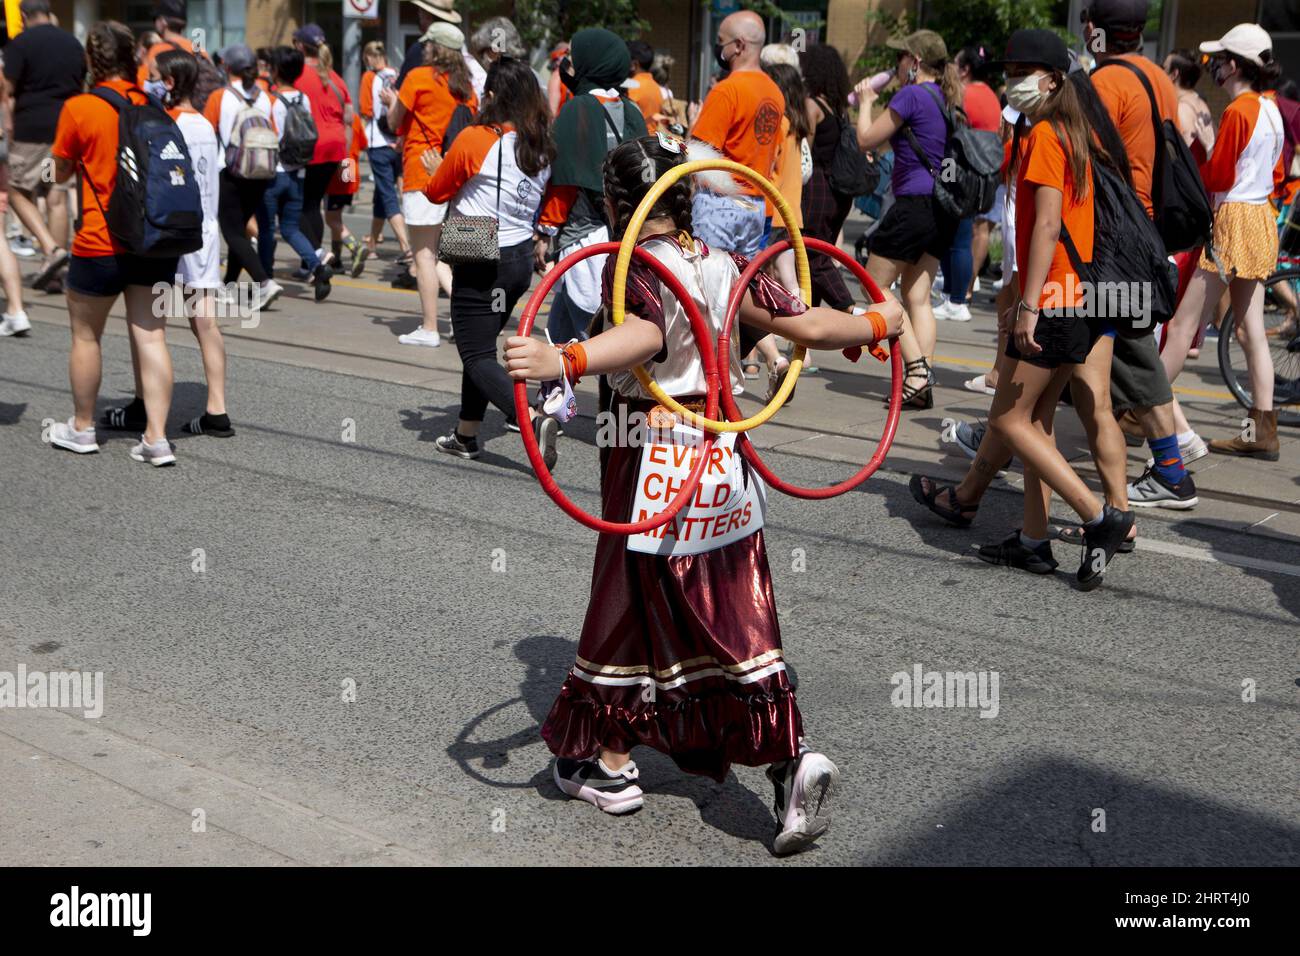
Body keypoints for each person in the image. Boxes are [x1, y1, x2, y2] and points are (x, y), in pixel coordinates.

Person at [502, 134, 903, 853]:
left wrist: (564, 356)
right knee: (723, 603)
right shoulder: (722, 264)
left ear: (621, 204)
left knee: (637, 598)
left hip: (649, 456)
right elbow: (809, 324)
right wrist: (879, 323)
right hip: (721, 452)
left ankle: (691, 759)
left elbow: (644, 334)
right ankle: (643, 760)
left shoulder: (634, 267)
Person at [948, 29, 1134, 585]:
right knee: (1039, 420)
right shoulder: (1070, 132)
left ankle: (1101, 516)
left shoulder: (1049, 136)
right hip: (1072, 297)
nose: (1012, 80)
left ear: (1053, 79)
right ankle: (1034, 540)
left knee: (1007, 417)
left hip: (1053, 298)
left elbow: (1047, 225)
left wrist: (1027, 305)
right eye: (1008, 70)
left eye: (1022, 70)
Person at [1082, 0, 1201, 510]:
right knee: (1120, 341)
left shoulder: (1105, 83)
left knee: (1121, 343)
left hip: (1112, 232)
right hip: (1145, 226)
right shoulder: (1157, 75)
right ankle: (1002, 436)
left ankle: (1172, 468)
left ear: (1097, 30)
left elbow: (1082, 154)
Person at [48, 20, 178, 466]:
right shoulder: (156, 103)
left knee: (86, 336)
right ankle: (157, 439)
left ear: (90, 60)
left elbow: (58, 172)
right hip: (153, 240)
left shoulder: (80, 107)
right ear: (133, 58)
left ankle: (83, 428)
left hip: (99, 243)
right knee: (152, 337)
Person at [1158, 24, 1285, 461]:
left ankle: (1145, 409)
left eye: (1218, 61)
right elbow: (1276, 172)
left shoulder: (1239, 111)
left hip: (1231, 218)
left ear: (1234, 66)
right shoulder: (1271, 110)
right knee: (1251, 332)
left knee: (1180, 325)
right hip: (1260, 218)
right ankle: (1260, 429)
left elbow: (1218, 177)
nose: (1212, 67)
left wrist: (1206, 150)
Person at [424, 57, 557, 463]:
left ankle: (532, 420)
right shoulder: (541, 145)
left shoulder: (475, 139)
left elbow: (435, 191)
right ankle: (466, 435)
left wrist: (434, 164)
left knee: (476, 353)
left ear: (495, 97)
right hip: (518, 259)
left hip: (479, 249)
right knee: (480, 345)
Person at [102, 49, 232, 438]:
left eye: (154, 75)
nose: (148, 81)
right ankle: (217, 410)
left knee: (147, 323)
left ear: (170, 82)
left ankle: (146, 404)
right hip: (205, 232)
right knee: (205, 324)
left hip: (166, 232)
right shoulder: (205, 127)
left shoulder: (164, 123)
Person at [854, 29, 961, 409]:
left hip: (913, 205)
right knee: (917, 295)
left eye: (902, 59)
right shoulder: (944, 99)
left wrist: (866, 100)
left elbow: (866, 139)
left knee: (874, 285)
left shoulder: (912, 93)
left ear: (914, 63)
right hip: (941, 208)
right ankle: (922, 380)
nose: (897, 65)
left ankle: (915, 371)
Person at [690, 10, 789, 392]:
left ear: (739, 45)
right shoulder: (774, 92)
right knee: (738, 291)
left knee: (703, 292)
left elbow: (699, 154)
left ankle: (714, 377)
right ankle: (772, 357)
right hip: (755, 206)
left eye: (721, 42)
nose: (719, 49)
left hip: (719, 203)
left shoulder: (728, 90)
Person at [535, 28, 647, 345]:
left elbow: (566, 182)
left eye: (575, 56)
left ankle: (599, 386)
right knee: (563, 326)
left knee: (593, 332)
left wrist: (545, 232)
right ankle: (555, 389)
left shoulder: (576, 110)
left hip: (585, 236)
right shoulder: (633, 110)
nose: (570, 63)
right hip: (624, 234)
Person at [384, 21, 477, 347]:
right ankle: (465, 317)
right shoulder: (466, 86)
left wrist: (390, 103)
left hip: (421, 173)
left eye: (427, 45)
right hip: (457, 175)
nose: (423, 48)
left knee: (424, 255)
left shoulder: (418, 78)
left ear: (435, 48)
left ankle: (429, 328)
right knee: (451, 256)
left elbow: (395, 123)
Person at [3, 0, 86, 294]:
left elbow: (7, 90)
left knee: (13, 189)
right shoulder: (73, 43)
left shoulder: (21, 43)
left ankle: (51, 249)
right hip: (63, 131)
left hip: (31, 133)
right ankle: (57, 274)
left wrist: (8, 124)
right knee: (55, 194)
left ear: (24, 16)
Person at [204, 44, 281, 305]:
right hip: (261, 172)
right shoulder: (266, 96)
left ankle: (264, 282)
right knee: (241, 229)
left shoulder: (220, 96)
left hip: (230, 172)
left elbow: (207, 132)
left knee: (232, 232)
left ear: (227, 67)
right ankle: (228, 286)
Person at [935, 45, 1002, 322]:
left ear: (964, 69)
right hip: (985, 174)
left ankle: (957, 299)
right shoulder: (990, 95)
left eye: (955, 63)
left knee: (959, 239)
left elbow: (951, 130)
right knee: (962, 236)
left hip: (963, 172)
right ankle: (955, 294)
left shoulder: (965, 95)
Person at [259, 46, 331, 301]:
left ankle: (265, 281)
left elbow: (271, 138)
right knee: (290, 228)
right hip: (298, 173)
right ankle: (317, 267)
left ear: (275, 70)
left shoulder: (272, 100)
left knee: (267, 229)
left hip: (274, 174)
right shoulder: (303, 98)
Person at [799, 44, 857, 315]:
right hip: (840, 192)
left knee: (812, 256)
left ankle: (852, 310)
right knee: (816, 260)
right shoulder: (839, 108)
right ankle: (805, 336)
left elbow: (804, 154)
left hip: (817, 188)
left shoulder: (812, 105)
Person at [292, 24, 352, 274]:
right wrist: (346, 158)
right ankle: (311, 260)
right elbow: (349, 119)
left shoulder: (297, 75)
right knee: (313, 203)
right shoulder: (336, 78)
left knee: (301, 207)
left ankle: (315, 258)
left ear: (299, 46)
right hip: (336, 147)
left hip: (310, 149)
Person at [360, 42, 409, 263]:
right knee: (382, 195)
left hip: (378, 143)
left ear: (369, 58)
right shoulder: (397, 75)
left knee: (388, 196)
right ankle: (371, 246)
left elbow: (366, 110)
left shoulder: (369, 78)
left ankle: (406, 247)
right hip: (397, 143)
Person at [325, 113, 368, 275]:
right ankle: (336, 259)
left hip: (340, 168)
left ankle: (355, 247)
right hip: (351, 167)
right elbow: (363, 143)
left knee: (331, 219)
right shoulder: (354, 117)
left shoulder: (332, 118)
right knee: (337, 216)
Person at [1164, 49, 1216, 164]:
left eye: (1164, 68)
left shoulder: (1181, 109)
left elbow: (1177, 162)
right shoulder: (1200, 103)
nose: (1161, 74)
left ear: (1174, 74)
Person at [626, 40, 663, 133]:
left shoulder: (630, 85)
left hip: (636, 142)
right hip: (650, 141)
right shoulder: (656, 86)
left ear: (634, 65)